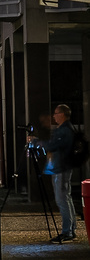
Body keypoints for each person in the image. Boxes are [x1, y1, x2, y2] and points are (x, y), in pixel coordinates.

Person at [51, 104, 82, 243]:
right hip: (63, 167)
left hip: (62, 168)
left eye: (56, 113)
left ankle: (67, 231)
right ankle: (71, 229)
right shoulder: (67, 128)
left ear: (62, 114)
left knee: (62, 199)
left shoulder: (65, 130)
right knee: (66, 198)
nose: (54, 116)